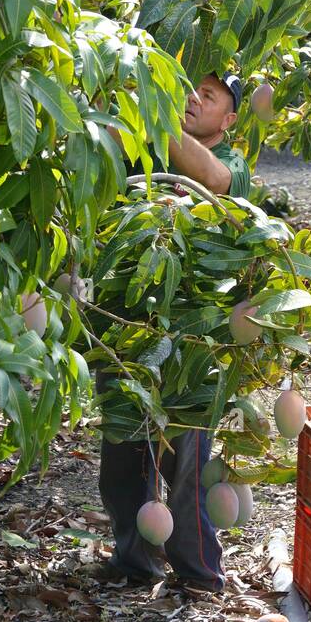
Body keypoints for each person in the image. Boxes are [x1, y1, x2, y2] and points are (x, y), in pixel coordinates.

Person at [97, 72, 250, 590]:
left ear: (227, 120)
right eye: (190, 89)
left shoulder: (230, 162)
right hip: (126, 324)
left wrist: (151, 113)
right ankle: (133, 563)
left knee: (184, 462)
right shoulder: (151, 152)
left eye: (208, 97)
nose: (194, 98)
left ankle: (199, 571)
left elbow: (213, 179)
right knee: (123, 453)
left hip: (191, 336)